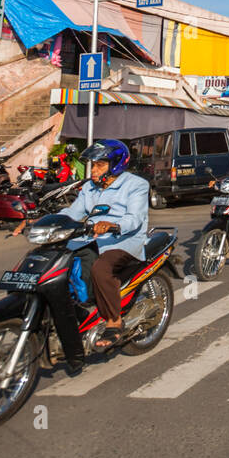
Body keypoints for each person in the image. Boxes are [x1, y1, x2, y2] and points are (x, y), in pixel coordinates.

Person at [57, 139, 150, 351]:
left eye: (100, 165)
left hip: (124, 242)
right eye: (93, 165)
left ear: (115, 165)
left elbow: (134, 219)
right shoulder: (89, 187)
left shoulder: (136, 185)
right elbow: (74, 213)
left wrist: (112, 225)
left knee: (101, 269)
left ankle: (113, 321)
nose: (94, 170)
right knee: (58, 262)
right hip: (90, 238)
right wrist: (43, 221)